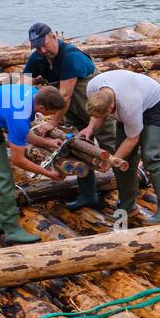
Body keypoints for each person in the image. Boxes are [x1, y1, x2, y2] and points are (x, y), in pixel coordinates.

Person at [22, 23, 119, 212]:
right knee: (78, 149)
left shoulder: (70, 57)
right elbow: (23, 83)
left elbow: (65, 96)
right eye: (37, 47)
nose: (42, 50)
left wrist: (51, 123)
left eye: (44, 44)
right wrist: (15, 107)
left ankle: (128, 188)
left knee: (111, 148)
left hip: (97, 109)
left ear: (54, 36)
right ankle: (88, 195)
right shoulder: (38, 58)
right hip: (73, 111)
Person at [0, 82, 67, 244]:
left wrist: (47, 143)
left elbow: (19, 133)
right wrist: (49, 174)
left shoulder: (34, 93)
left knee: (0, 175)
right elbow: (18, 159)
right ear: (42, 108)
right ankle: (11, 229)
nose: (51, 116)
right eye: (51, 113)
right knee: (3, 179)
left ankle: (1, 220)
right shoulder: (20, 115)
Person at [81, 68, 160, 225]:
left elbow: (132, 139)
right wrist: (90, 129)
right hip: (131, 102)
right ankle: (127, 208)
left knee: (151, 157)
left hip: (153, 106)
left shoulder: (128, 105)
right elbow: (98, 114)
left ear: (111, 109)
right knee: (125, 163)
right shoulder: (92, 88)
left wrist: (111, 161)